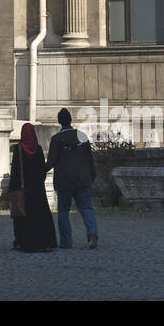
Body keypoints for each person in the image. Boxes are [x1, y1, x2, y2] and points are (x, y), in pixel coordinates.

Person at [49, 107, 99, 249]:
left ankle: (66, 242)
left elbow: (51, 162)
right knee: (86, 208)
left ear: (59, 122)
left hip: (64, 181)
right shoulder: (82, 136)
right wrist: (92, 175)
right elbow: (90, 159)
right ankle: (92, 233)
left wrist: (39, 171)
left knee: (63, 212)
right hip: (83, 179)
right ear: (70, 120)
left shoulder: (56, 139)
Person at [8, 122, 57, 251]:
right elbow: (42, 169)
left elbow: (15, 172)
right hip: (37, 189)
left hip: (23, 189)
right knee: (41, 216)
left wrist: (12, 189)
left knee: (22, 216)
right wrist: (39, 182)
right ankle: (45, 242)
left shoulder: (18, 149)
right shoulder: (38, 149)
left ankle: (23, 241)